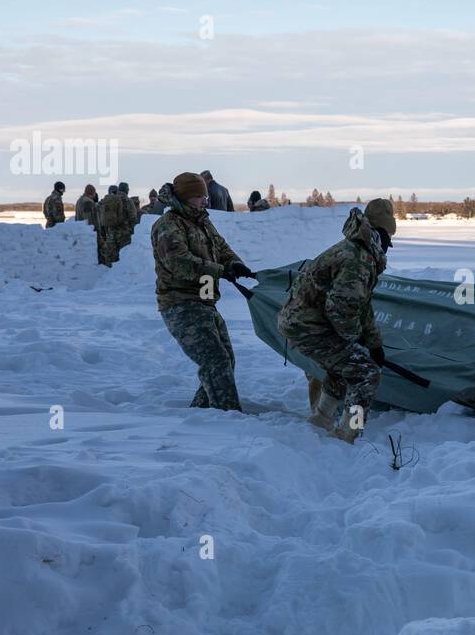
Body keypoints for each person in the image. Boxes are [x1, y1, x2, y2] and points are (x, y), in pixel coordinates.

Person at [277, 199, 396, 443]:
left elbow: (361, 305)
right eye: (387, 240)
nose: (387, 248)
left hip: (304, 322)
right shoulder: (357, 258)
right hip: (308, 326)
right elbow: (340, 308)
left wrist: (374, 343)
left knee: (343, 365)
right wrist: (356, 340)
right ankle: (348, 431)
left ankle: (321, 419)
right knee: (366, 373)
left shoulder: (357, 250)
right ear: (379, 234)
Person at [151, 172, 255, 411]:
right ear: (186, 197)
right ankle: (227, 416)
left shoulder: (202, 220)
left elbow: (220, 246)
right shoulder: (168, 225)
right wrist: (218, 271)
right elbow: (178, 263)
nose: (204, 200)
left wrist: (234, 263)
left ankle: (202, 414)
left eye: (204, 195)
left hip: (206, 301)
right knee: (214, 360)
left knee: (225, 359)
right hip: (181, 303)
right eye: (198, 196)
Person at [97, 184, 133, 265]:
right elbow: (133, 217)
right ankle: (122, 273)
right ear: (127, 190)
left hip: (110, 232)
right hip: (124, 233)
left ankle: (110, 273)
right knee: (124, 255)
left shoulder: (107, 200)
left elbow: (99, 210)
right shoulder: (127, 200)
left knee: (111, 255)